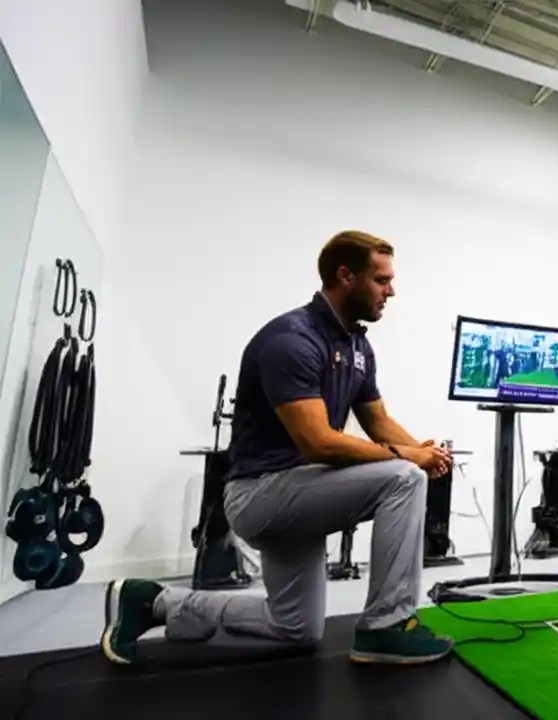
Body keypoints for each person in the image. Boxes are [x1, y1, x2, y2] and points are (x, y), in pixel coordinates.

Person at [101, 231, 456, 665]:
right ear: (346, 276)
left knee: (296, 628)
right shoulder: (291, 339)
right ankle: (387, 625)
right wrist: (409, 458)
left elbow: (378, 422)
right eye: (382, 280)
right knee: (403, 478)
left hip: (301, 492)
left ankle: (153, 602)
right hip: (259, 494)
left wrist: (424, 449)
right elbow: (318, 442)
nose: (391, 291)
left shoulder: (357, 345)